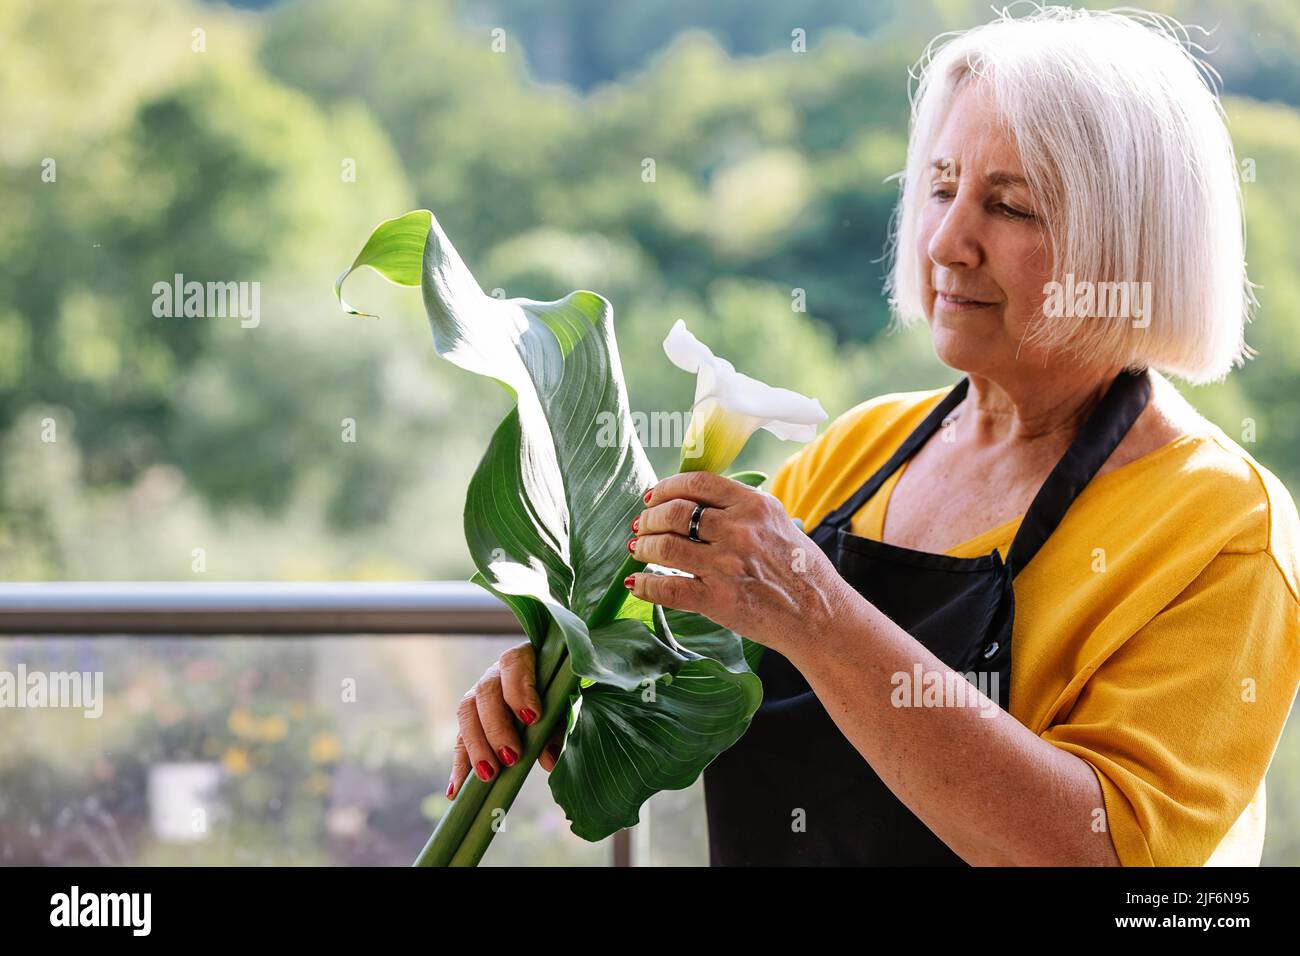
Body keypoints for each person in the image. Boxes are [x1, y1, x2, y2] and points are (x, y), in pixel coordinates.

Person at [446, 6, 1300, 865]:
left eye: (1007, 205)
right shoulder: (858, 449)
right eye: (939, 187)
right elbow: (672, 674)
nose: (945, 240)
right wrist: (559, 677)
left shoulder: (1225, 527)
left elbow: (1107, 859)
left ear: (1133, 247)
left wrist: (819, 614)